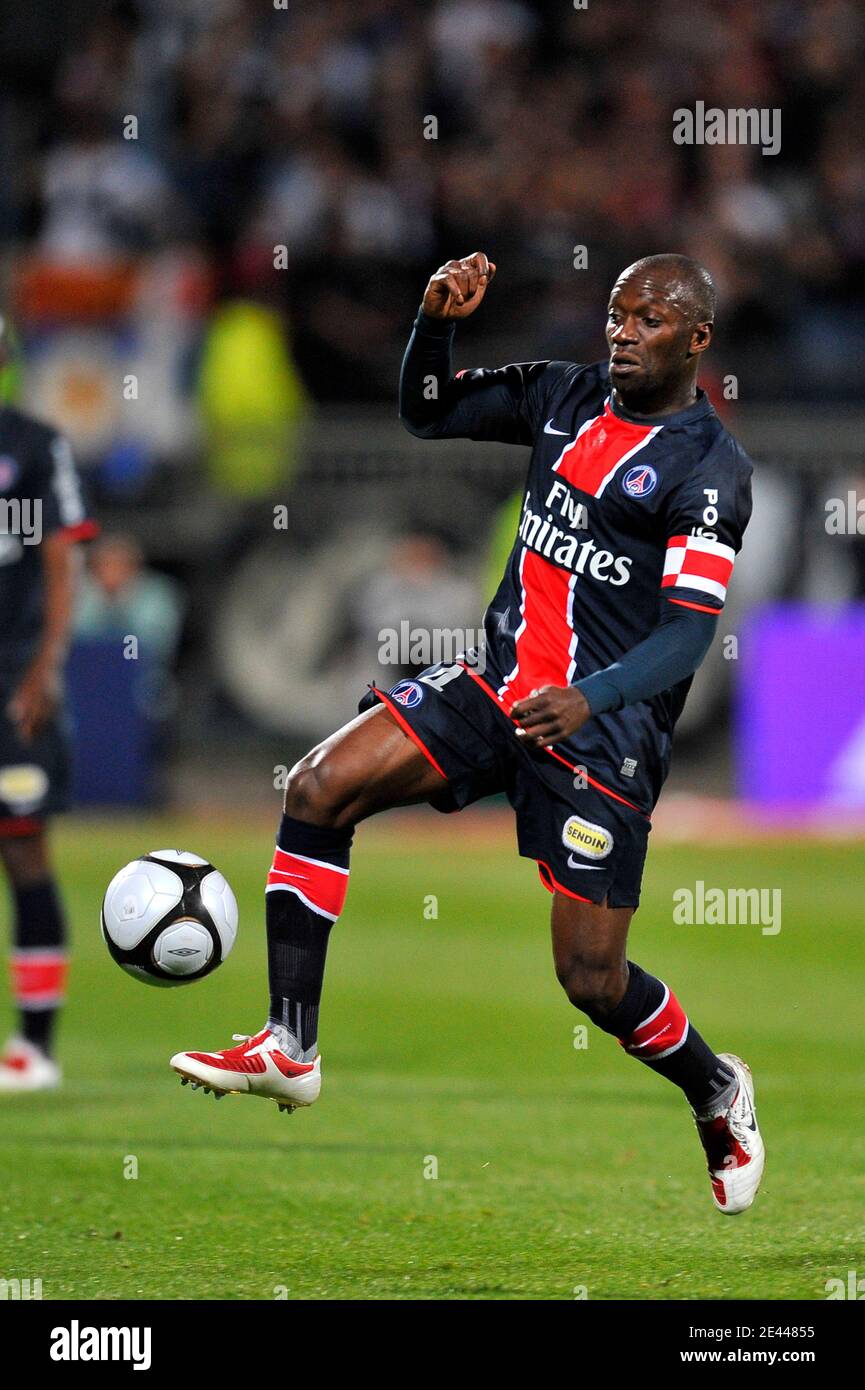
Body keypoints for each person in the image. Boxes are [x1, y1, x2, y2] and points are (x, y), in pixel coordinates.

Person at [171, 251, 762, 1215]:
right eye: (615, 313)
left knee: (590, 978)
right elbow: (428, 407)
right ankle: (290, 1044)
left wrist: (593, 696)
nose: (620, 331)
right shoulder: (562, 396)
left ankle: (713, 1087)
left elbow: (689, 630)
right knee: (317, 788)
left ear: (696, 339)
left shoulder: (709, 469)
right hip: (498, 687)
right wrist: (433, 322)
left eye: (647, 319)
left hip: (599, 738)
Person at [0, 316, 97, 1092]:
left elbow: (63, 557)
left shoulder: (32, 444)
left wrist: (45, 668)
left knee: (24, 847)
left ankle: (36, 1048)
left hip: (12, 678)